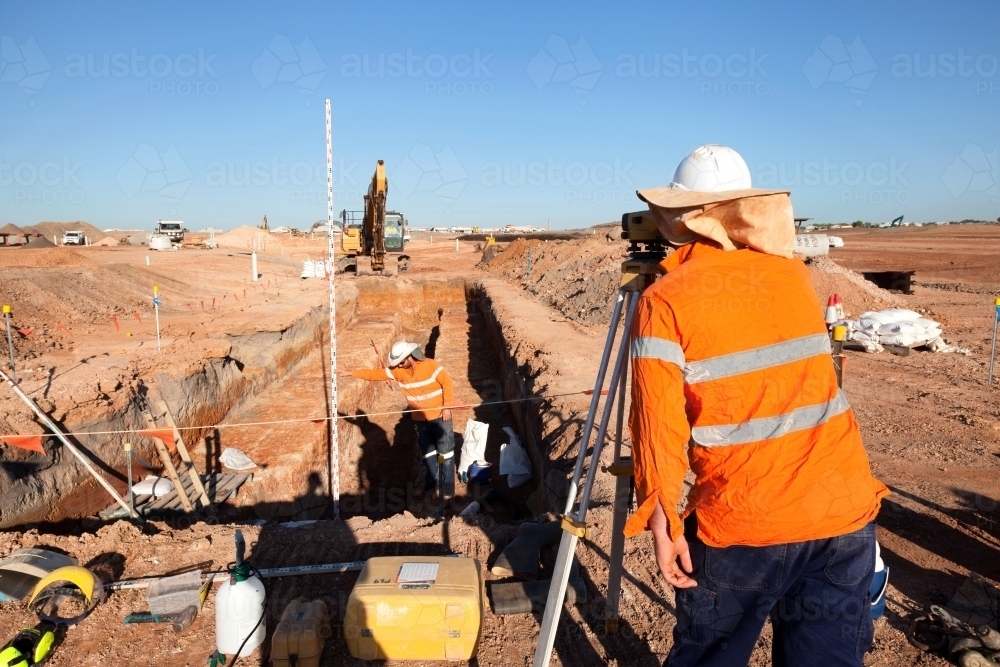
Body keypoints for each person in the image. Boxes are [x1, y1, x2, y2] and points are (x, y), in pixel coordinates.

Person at [624, 145, 888, 667]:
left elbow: (658, 429)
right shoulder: (793, 277)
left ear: (680, 217)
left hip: (741, 526)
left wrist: (664, 523)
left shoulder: (666, 300)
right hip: (840, 513)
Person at [350, 341, 456, 499]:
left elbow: (447, 384)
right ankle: (433, 483)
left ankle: (447, 489)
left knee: (445, 453)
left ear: (410, 357)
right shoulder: (400, 372)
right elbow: (376, 375)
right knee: (428, 454)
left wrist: (446, 407)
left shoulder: (431, 366)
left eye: (401, 362)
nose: (398, 366)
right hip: (420, 420)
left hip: (440, 417)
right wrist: (352, 373)